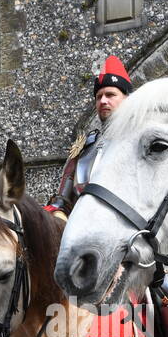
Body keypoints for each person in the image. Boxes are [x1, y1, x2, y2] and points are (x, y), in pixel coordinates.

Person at [44, 54, 133, 220]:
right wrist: (57, 213)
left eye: (110, 94)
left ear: (127, 98)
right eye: (99, 97)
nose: (103, 101)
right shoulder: (85, 148)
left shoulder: (142, 140)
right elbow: (62, 201)